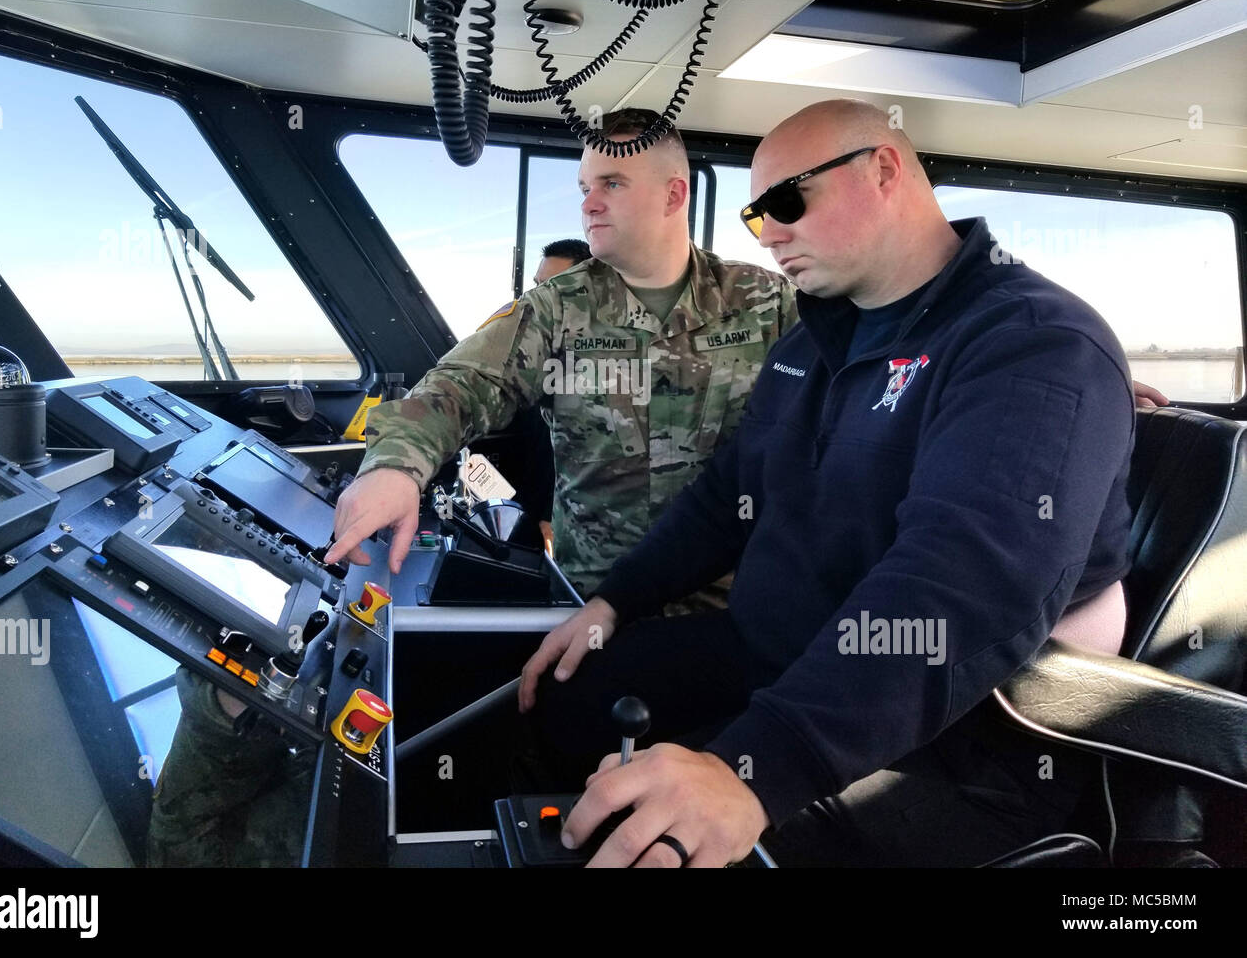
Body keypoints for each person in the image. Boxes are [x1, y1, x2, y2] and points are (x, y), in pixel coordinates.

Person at [518, 98, 1137, 868]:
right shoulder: (814, 340)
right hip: (770, 647)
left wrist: (759, 769)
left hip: (944, 739)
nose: (770, 231)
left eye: (788, 200)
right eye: (756, 216)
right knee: (566, 699)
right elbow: (725, 496)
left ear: (884, 170)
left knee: (654, 836)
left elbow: (961, 581)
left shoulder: (1033, 344)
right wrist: (615, 600)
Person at [324, 109, 797, 612]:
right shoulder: (555, 309)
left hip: (737, 600)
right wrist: (394, 468)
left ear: (674, 194)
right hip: (592, 604)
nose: (589, 204)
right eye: (583, 188)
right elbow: (459, 387)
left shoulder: (766, 301)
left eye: (611, 184)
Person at [517, 237, 593, 551]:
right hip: (531, 506)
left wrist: (547, 516)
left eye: (550, 287)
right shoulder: (538, 347)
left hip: (569, 521)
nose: (536, 298)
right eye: (536, 285)